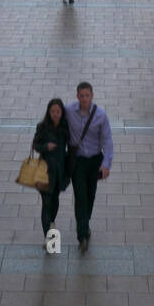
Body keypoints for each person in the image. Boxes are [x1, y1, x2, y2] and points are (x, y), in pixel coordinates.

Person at [65, 82, 113, 251]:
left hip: (94, 160)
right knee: (80, 196)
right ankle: (82, 235)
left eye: (87, 95)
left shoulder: (100, 115)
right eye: (81, 96)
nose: (84, 99)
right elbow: (54, 120)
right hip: (77, 161)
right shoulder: (69, 111)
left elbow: (107, 141)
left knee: (91, 195)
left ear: (92, 96)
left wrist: (106, 164)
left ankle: (85, 222)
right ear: (77, 96)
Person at [32, 98, 71, 246]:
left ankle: (52, 223)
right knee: (46, 203)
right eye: (53, 111)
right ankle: (48, 237)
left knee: (54, 201)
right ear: (49, 112)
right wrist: (45, 147)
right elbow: (35, 144)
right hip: (45, 172)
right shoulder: (42, 127)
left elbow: (71, 145)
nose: (55, 114)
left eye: (58, 111)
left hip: (60, 172)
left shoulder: (65, 127)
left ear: (62, 113)